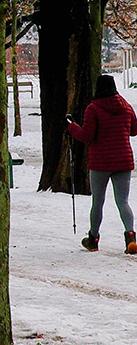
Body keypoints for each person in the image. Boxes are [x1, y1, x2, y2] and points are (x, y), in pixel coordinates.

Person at [69, 74, 137, 253]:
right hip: (123, 160)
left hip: (100, 162)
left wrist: (71, 126)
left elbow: (86, 136)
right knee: (123, 201)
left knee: (98, 202)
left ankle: (93, 239)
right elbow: (134, 130)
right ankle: (130, 237)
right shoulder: (126, 106)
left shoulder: (93, 108)